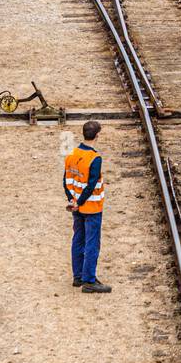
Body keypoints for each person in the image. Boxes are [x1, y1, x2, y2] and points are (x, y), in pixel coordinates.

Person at [64, 120, 110, 293]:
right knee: (92, 243)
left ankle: (78, 276)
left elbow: (66, 180)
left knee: (78, 239)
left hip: (76, 207)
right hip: (91, 208)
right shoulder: (95, 158)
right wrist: (81, 202)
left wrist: (72, 201)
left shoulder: (71, 154)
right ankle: (89, 281)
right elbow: (91, 186)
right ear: (97, 135)